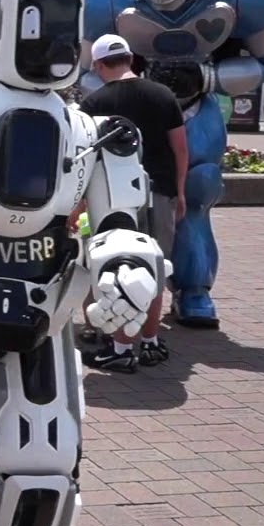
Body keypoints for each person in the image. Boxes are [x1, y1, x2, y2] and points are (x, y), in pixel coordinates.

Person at [79, 34, 187, 373]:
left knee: (114, 267)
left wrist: (78, 204)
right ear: (130, 59)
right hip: (159, 191)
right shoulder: (164, 95)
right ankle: (151, 342)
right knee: (154, 265)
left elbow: (84, 160)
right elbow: (180, 148)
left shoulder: (94, 103)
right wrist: (180, 191)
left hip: (112, 198)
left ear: (98, 65)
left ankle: (119, 343)